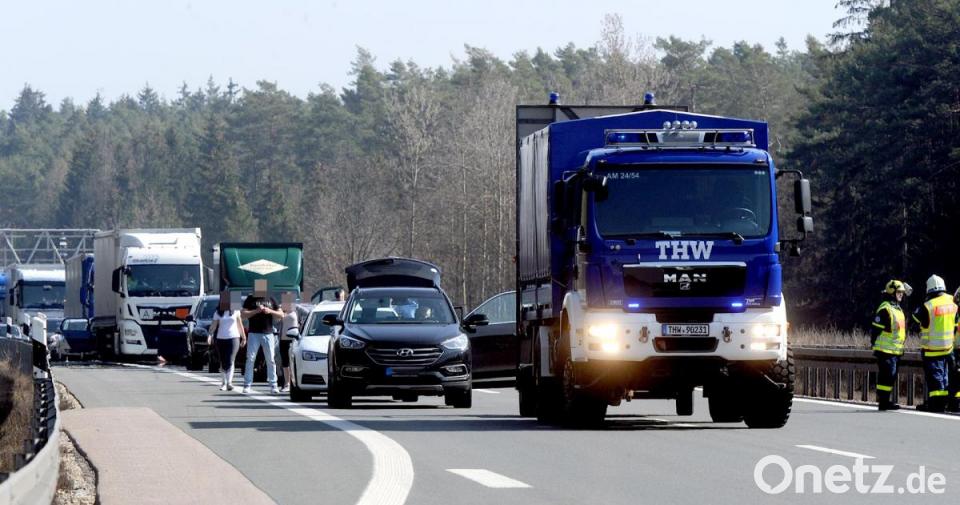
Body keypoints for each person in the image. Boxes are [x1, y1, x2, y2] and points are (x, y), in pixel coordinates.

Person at [912, 275, 957, 412]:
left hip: (932, 350)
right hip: (949, 349)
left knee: (936, 380)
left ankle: (936, 405)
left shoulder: (928, 306)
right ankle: (948, 403)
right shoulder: (953, 301)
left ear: (929, 290)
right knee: (947, 377)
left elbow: (915, 318)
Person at [870, 280, 909, 410]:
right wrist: (874, 344)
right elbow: (875, 329)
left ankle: (885, 401)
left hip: (895, 351)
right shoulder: (885, 308)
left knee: (890, 376)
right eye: (899, 292)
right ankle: (883, 402)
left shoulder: (897, 309)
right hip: (885, 350)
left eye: (902, 292)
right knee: (886, 376)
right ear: (892, 292)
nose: (901, 295)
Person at [241, 290, 283, 394]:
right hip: (253, 333)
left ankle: (273, 385)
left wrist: (270, 311)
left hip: (268, 333)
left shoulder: (271, 298)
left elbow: (281, 314)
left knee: (271, 359)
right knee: (250, 359)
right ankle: (247, 384)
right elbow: (243, 314)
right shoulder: (250, 298)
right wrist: (256, 311)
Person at [208, 291, 246, 391]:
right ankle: (224, 382)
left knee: (230, 358)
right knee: (223, 360)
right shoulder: (217, 313)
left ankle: (229, 382)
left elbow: (240, 325)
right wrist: (210, 335)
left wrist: (244, 337)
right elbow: (213, 326)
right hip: (221, 338)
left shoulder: (236, 311)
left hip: (234, 338)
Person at [278, 294, 299, 393]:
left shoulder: (295, 311)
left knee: (291, 362)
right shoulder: (283, 311)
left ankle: (292, 382)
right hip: (283, 340)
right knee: (285, 362)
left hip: (292, 339)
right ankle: (286, 383)